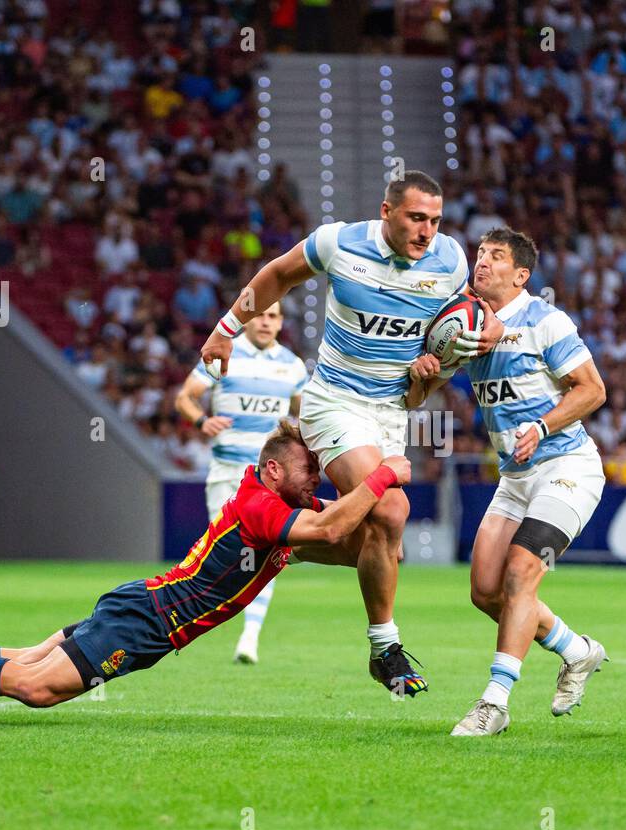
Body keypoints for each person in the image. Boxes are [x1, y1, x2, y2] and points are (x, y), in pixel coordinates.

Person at [0, 421, 412, 721]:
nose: (317, 478)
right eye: (308, 469)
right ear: (271, 470)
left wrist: (382, 541)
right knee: (36, 689)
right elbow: (331, 531)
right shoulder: (260, 508)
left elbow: (342, 541)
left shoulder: (287, 509)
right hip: (148, 620)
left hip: (146, 608)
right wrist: (383, 476)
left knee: (28, 659)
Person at [198, 170, 504, 696]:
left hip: (393, 410)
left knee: (377, 542)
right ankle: (385, 646)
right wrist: (226, 330)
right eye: (415, 218)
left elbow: (476, 314)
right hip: (336, 400)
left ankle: (278, 542)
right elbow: (277, 274)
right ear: (387, 213)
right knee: (391, 508)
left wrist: (465, 344)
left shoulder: (450, 259)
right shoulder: (339, 243)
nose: (426, 231)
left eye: (434, 220)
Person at [407, 227, 608, 736]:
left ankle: (494, 703)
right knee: (484, 591)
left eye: (496, 256)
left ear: (521, 275)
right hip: (515, 478)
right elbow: (416, 398)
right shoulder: (464, 322)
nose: (482, 262)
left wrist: (542, 426)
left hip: (567, 468)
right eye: (479, 254)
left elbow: (592, 391)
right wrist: (424, 372)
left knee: (521, 575)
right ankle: (577, 650)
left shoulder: (545, 320)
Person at [175, 300, 307, 663]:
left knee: (266, 553)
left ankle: (250, 635)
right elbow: (185, 397)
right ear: (249, 319)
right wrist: (203, 421)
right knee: (226, 553)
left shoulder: (292, 366)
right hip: (227, 473)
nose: (266, 322)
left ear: (281, 323)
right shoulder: (224, 356)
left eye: (274, 316)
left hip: (269, 481)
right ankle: (189, 615)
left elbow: (305, 415)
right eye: (261, 314)